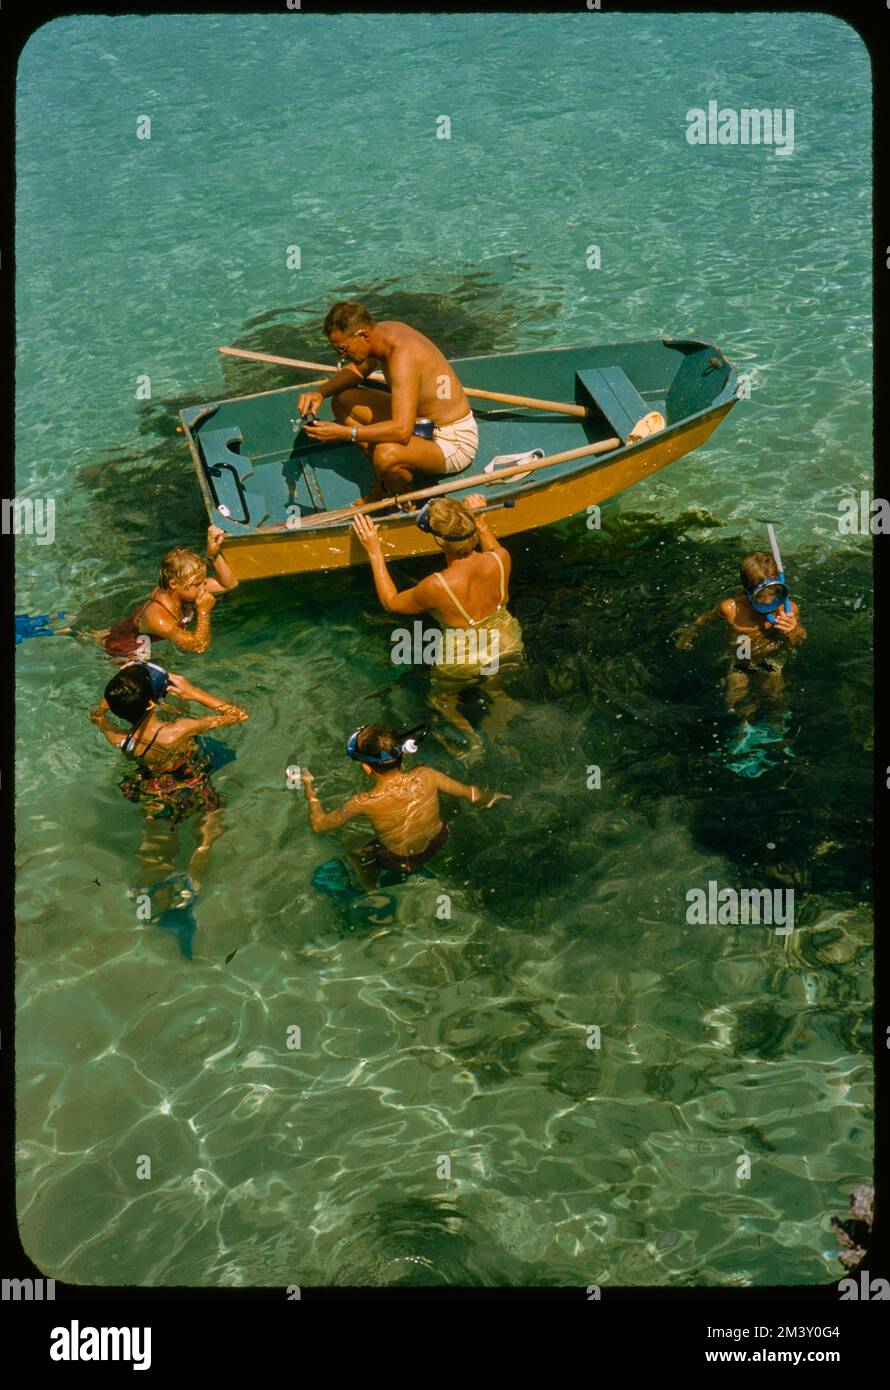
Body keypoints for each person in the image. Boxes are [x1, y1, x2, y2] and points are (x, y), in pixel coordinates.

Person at [352, 493, 523, 749]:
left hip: (464, 656)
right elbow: (487, 541)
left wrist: (374, 550)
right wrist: (480, 516)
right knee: (493, 679)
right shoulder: (501, 557)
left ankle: (472, 742)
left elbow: (391, 602)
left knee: (441, 698)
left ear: (438, 540)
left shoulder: (436, 586)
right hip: (506, 641)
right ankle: (498, 697)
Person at [298, 301, 478, 501]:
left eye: (343, 350)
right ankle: (389, 477)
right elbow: (358, 370)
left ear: (363, 336)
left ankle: (399, 494)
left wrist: (345, 433)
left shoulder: (403, 358)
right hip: (422, 424)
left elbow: (402, 432)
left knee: (385, 454)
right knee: (342, 400)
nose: (342, 356)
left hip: (451, 440)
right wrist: (321, 393)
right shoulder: (383, 334)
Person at [302, 723, 508, 881]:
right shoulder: (427, 775)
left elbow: (320, 825)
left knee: (352, 847)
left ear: (366, 768)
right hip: (440, 839)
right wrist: (494, 796)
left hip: (402, 861)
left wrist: (310, 789)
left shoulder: (363, 802)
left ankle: (370, 889)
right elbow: (470, 793)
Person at [676, 549, 806, 718]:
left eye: (773, 593)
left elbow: (800, 641)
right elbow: (704, 619)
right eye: (760, 596)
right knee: (736, 697)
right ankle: (742, 731)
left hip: (771, 657)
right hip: (740, 658)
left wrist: (793, 630)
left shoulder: (789, 609)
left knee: (775, 695)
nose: (768, 601)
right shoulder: (730, 609)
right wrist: (688, 634)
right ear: (747, 591)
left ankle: (777, 727)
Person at [100, 525, 238, 660]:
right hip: (127, 644)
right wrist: (204, 612)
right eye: (197, 584)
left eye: (203, 581)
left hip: (137, 629)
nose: (204, 587)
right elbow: (199, 647)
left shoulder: (180, 589)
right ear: (173, 583)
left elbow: (229, 584)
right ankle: (101, 638)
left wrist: (213, 555)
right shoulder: (158, 617)